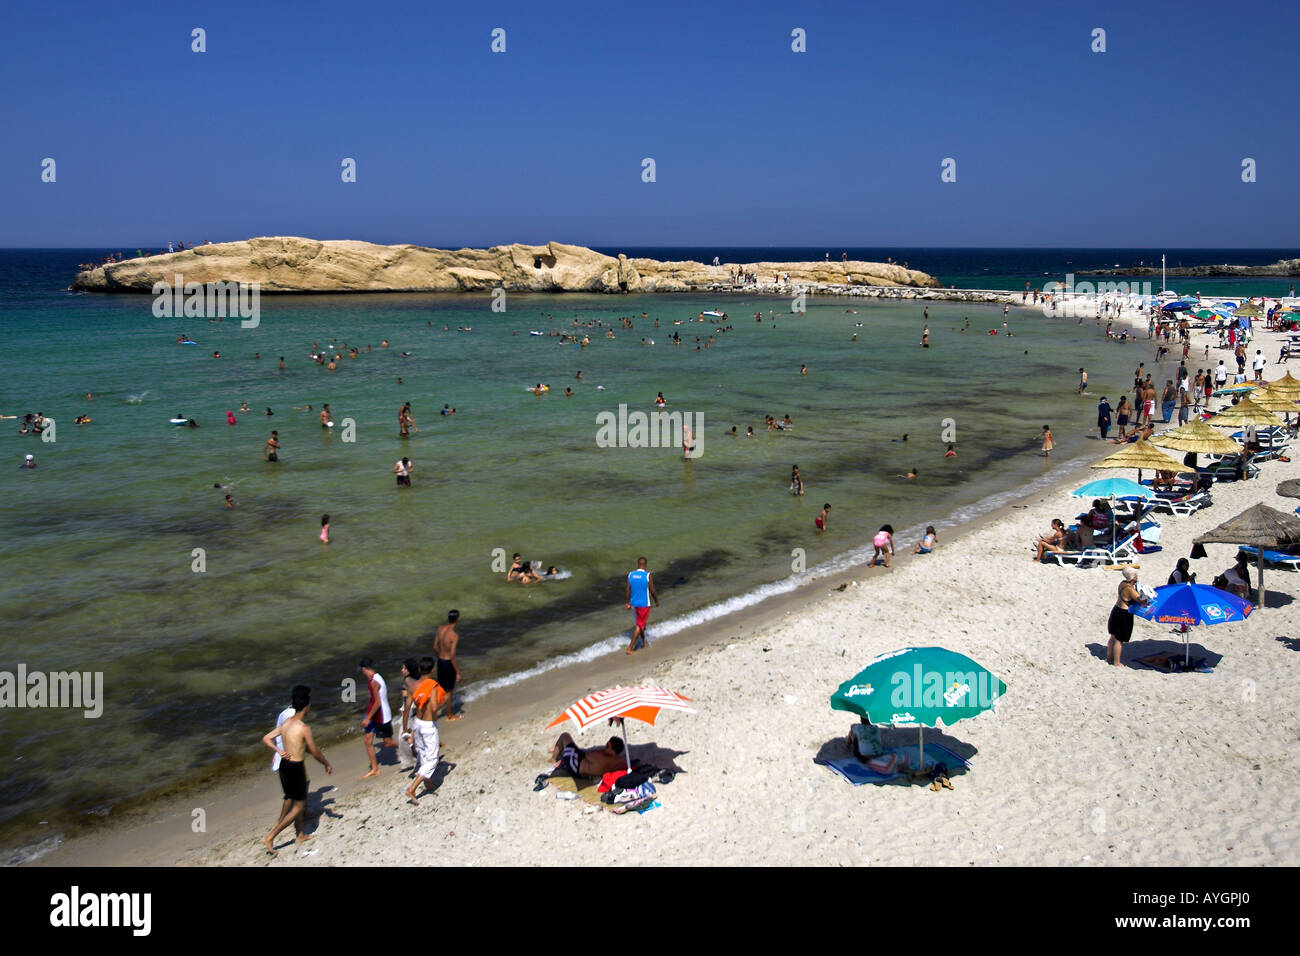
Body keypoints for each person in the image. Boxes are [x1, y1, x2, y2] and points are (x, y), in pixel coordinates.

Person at [261, 685, 332, 853]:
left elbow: (266, 738)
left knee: (294, 799)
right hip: (295, 768)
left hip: (285, 766)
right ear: (306, 707)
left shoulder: (286, 723)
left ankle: (299, 834)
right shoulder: (303, 728)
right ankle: (270, 837)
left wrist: (278, 751)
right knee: (299, 806)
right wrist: (326, 763)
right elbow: (313, 751)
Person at [405, 658, 447, 805]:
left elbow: (407, 708)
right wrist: (444, 701)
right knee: (433, 759)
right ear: (432, 670)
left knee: (423, 754)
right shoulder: (433, 686)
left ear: (419, 669)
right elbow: (434, 707)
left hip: (417, 723)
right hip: (429, 725)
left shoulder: (413, 686)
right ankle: (412, 789)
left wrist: (405, 728)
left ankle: (428, 784)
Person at [359, 659, 396, 779]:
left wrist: (367, 718)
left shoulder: (374, 682)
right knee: (367, 740)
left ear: (364, 669)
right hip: (376, 715)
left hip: (382, 716)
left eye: (362, 671)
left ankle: (414, 745)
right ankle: (375, 769)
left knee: (388, 743)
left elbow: (377, 703)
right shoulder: (377, 677)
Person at [1106, 568, 1149, 667]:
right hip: (1124, 614)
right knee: (1119, 639)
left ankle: (1109, 657)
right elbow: (1141, 601)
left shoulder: (1122, 584)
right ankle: (1117, 662)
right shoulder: (1130, 589)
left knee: (1113, 636)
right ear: (1133, 577)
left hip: (1116, 610)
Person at [548, 733, 627, 778]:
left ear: (613, 751)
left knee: (564, 736)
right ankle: (559, 747)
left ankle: (553, 758)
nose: (605, 747)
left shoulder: (601, 758)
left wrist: (601, 751)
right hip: (581, 768)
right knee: (571, 747)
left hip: (574, 766)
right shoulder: (620, 760)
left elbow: (587, 754)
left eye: (607, 746)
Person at [625, 557, 659, 653]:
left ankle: (644, 642)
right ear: (645, 565)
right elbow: (652, 591)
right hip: (644, 605)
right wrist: (656, 601)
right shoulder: (647, 575)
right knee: (639, 626)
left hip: (634, 605)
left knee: (640, 624)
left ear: (638, 564)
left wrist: (627, 603)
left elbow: (628, 590)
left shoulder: (631, 575)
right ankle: (630, 648)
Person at [433, 610, 462, 721]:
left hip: (440, 661)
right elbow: (452, 655)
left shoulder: (440, 629)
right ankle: (449, 715)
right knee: (449, 691)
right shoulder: (454, 636)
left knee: (441, 689)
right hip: (448, 663)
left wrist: (439, 656)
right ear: (457, 619)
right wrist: (458, 672)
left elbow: (435, 646)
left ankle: (434, 711)